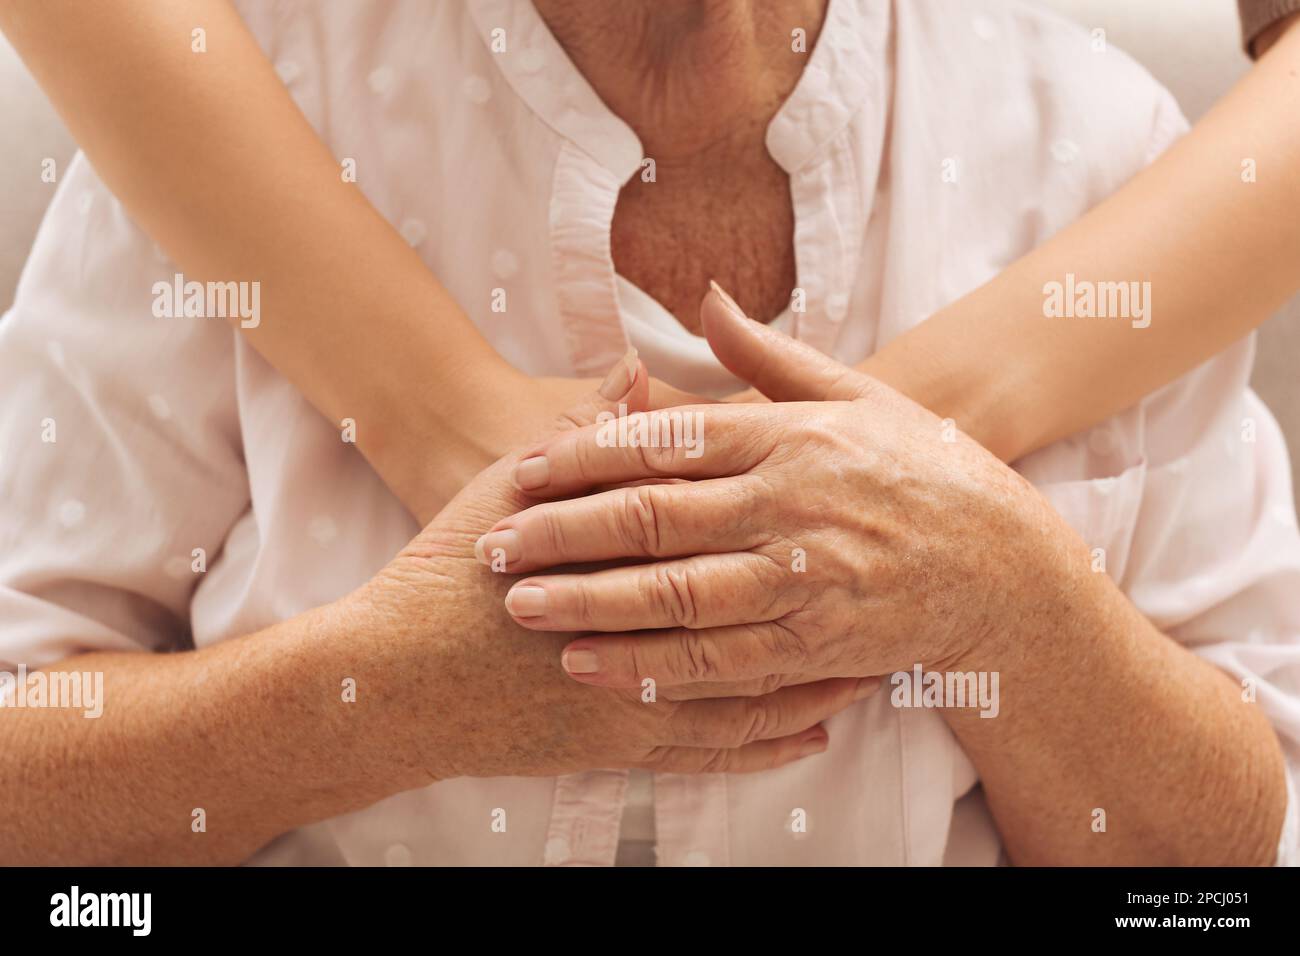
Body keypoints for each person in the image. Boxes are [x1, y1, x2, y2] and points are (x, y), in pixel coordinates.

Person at [0, 0, 1297, 865]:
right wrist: (380, 706)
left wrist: (1008, 600)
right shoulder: (251, 110)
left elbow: (1235, 863)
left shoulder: (1085, 151)